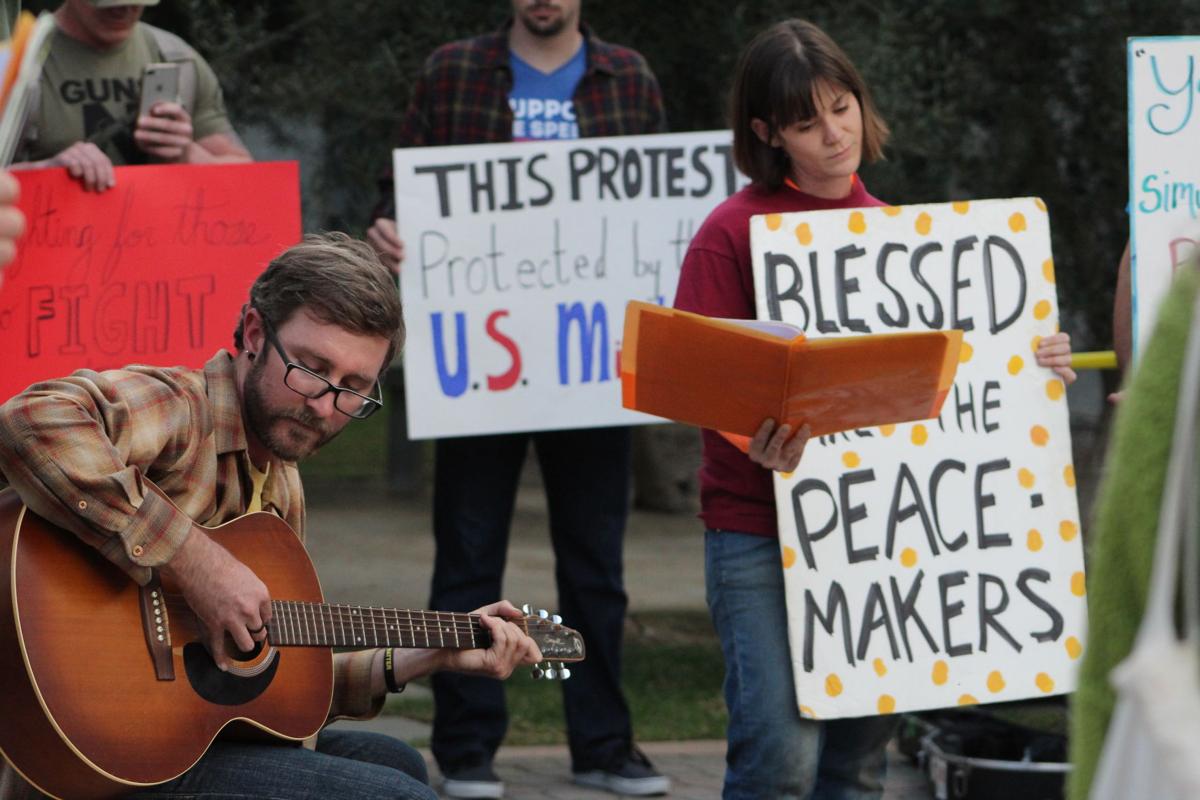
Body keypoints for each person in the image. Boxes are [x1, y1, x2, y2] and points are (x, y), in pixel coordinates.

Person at [673, 19, 1076, 799]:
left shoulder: (902, 236)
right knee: (777, 761)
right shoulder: (729, 234)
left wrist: (1036, 356)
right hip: (758, 532)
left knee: (857, 770)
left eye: (842, 107)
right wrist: (754, 438)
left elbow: (962, 380)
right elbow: (700, 382)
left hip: (881, 543)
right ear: (766, 133)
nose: (832, 134)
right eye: (805, 121)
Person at [0, 232, 543, 800]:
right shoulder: (183, 410)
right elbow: (32, 419)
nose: (324, 405)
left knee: (397, 761)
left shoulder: (282, 484)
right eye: (311, 368)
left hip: (175, 737)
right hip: (104, 751)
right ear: (256, 333)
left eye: (354, 389)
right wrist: (193, 561)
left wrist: (427, 655)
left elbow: (274, 694)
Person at [367, 2, 669, 797]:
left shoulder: (628, 79)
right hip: (477, 370)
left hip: (589, 367)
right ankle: (466, 749)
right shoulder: (452, 72)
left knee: (595, 566)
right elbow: (393, 192)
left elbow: (656, 213)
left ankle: (604, 745)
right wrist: (389, 229)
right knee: (467, 555)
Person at [10, 0, 250, 193]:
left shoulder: (177, 58)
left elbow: (250, 178)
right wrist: (46, 171)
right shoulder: (17, 62)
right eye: (107, 3)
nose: (122, 10)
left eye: (135, 2)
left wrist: (187, 154)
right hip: (50, 241)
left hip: (158, 243)